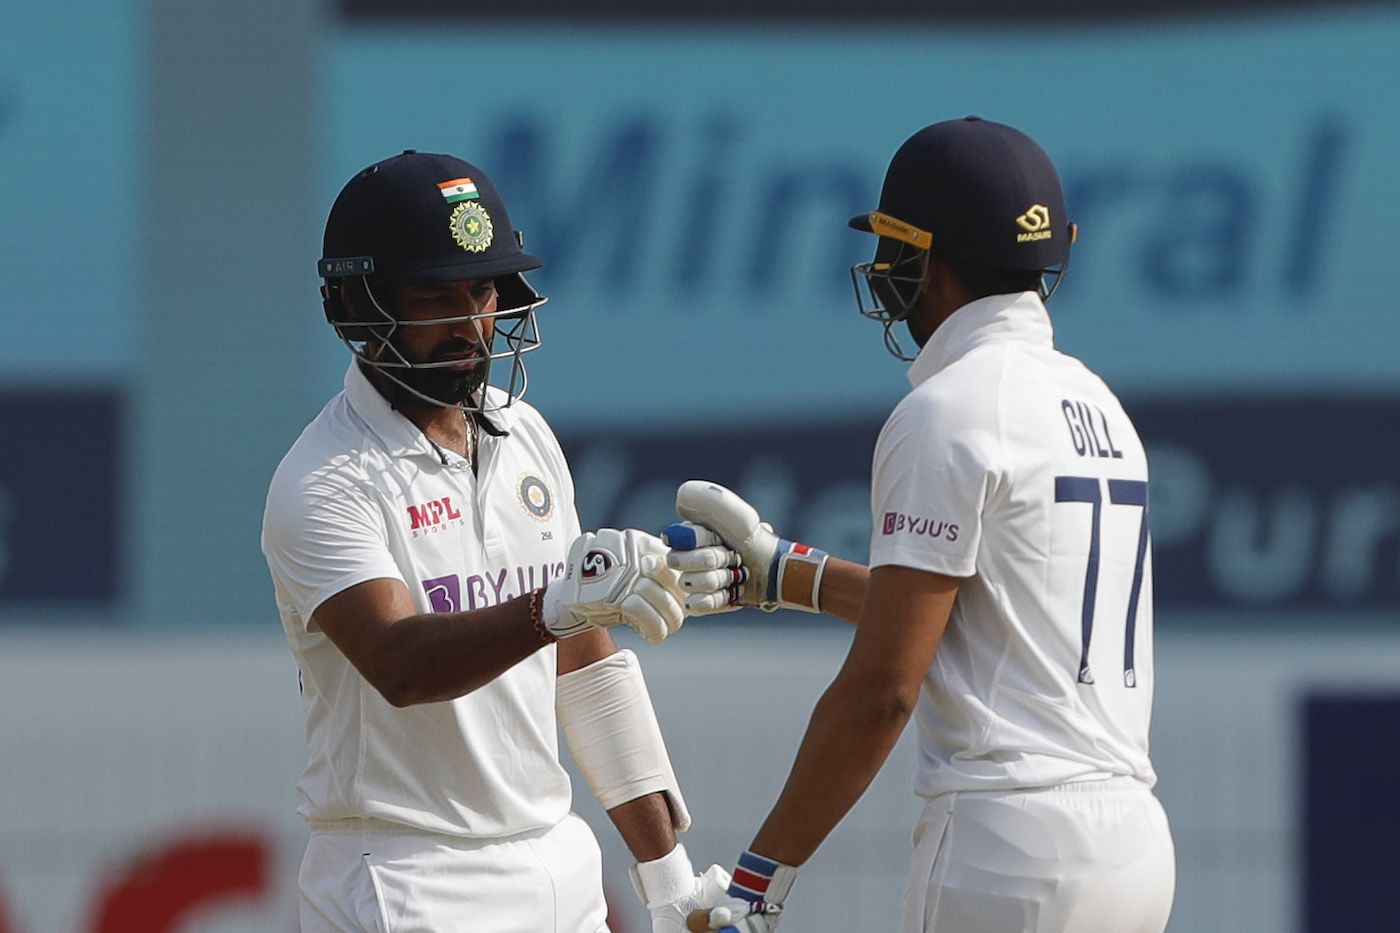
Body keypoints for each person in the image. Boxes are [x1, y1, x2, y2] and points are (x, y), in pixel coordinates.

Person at [666, 117, 1176, 932]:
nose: (882, 271)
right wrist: (785, 573)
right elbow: (983, 623)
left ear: (925, 260)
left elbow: (883, 690)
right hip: (1137, 848)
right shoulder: (1099, 404)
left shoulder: (946, 407)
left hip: (1007, 845)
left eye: (891, 249)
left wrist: (755, 883)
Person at [261, 150, 729, 932]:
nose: (472, 324)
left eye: (481, 290)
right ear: (356, 306)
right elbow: (401, 664)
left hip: (555, 858)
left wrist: (668, 875)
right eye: (434, 297)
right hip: (409, 875)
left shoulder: (526, 434)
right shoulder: (322, 479)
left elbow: (586, 666)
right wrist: (554, 606)